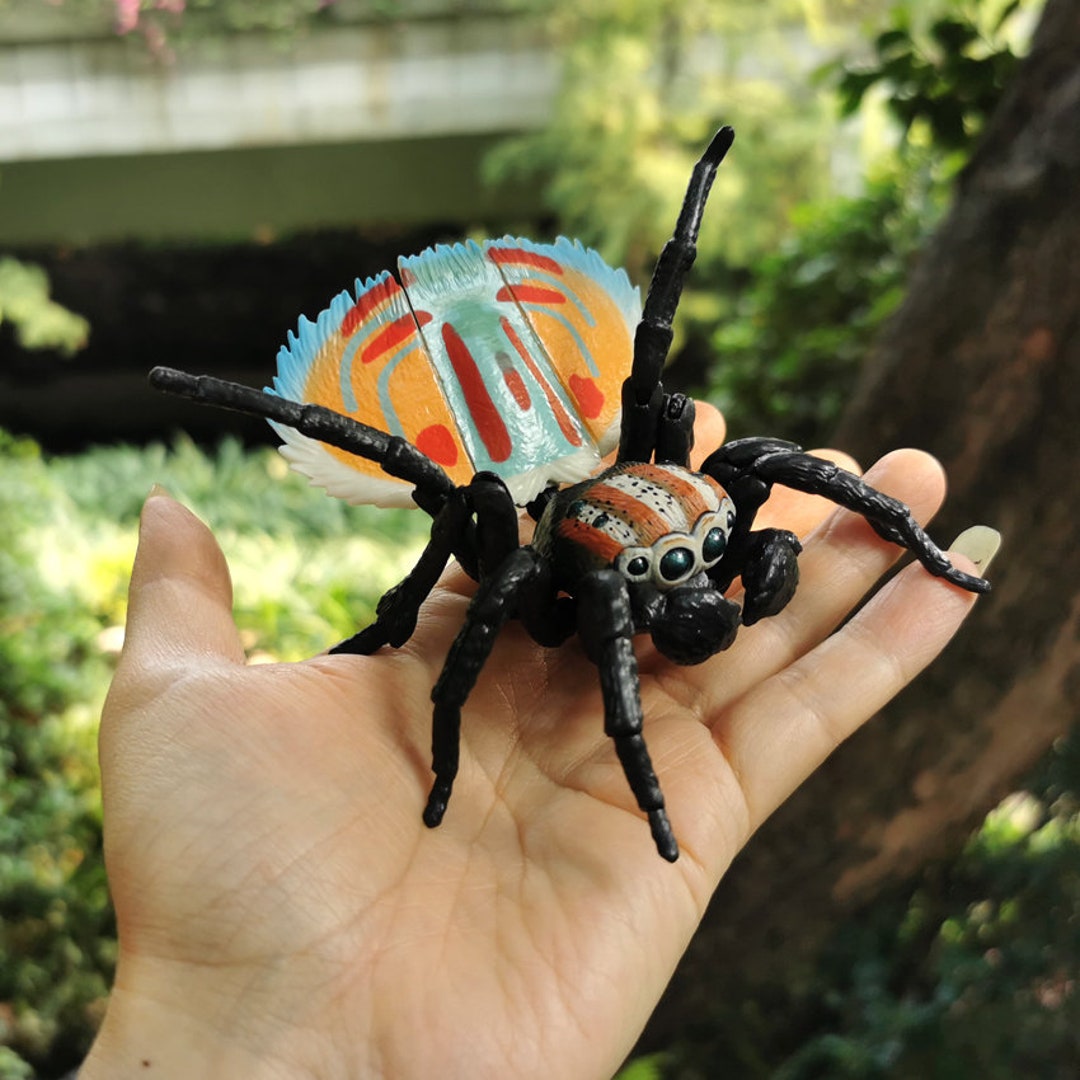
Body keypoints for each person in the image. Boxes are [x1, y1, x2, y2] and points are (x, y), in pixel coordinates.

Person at [80, 405, 991, 1079]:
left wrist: (907, 538)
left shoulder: (721, 530)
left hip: (674, 525)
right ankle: (423, 639)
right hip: (587, 568)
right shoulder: (558, 584)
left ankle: (894, 533)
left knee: (741, 446)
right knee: (468, 501)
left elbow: (745, 484)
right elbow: (517, 591)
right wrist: (462, 750)